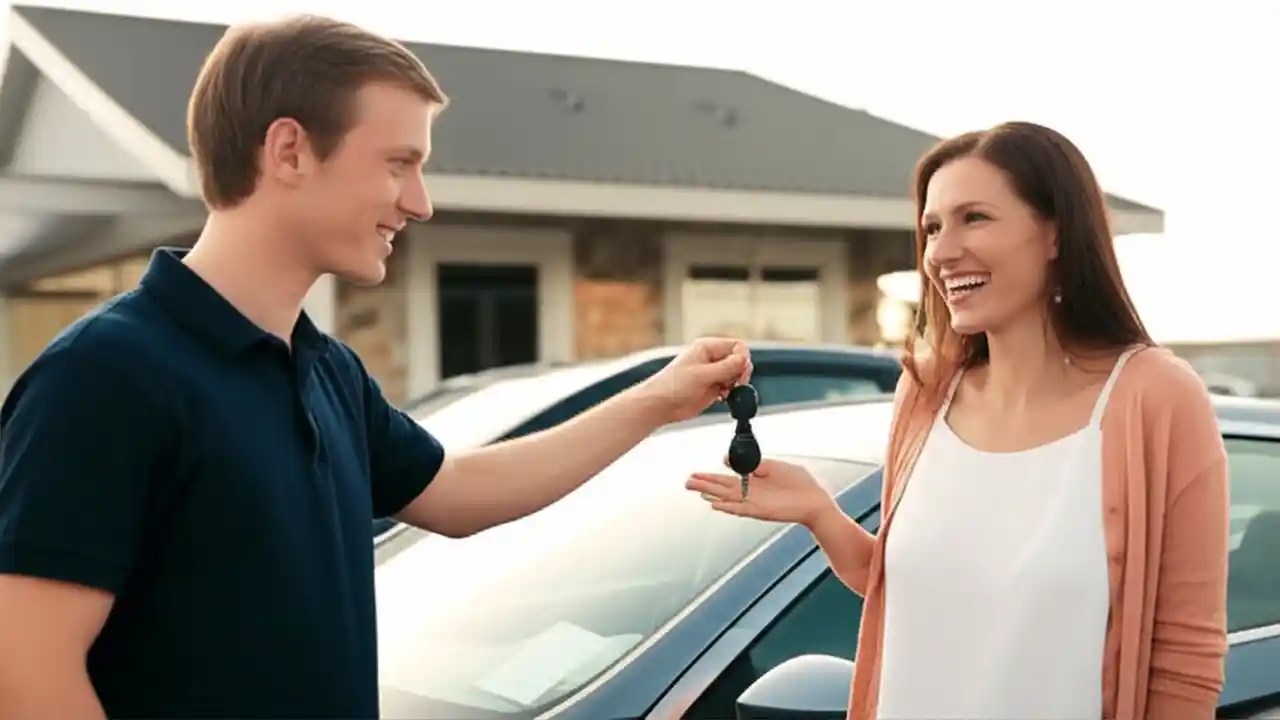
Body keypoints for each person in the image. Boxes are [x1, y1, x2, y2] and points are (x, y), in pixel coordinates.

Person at [0, 15, 751, 720]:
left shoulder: (326, 368)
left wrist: (656, 398)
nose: (419, 203)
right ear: (289, 150)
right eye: (399, 164)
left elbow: (458, 493)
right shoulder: (106, 376)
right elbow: (26, 669)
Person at [688, 121, 1229, 719]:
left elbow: (1185, 660)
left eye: (975, 218)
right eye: (932, 228)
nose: (941, 253)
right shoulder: (926, 393)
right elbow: (912, 593)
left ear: (1055, 233)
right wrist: (821, 513)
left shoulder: (1154, 397)